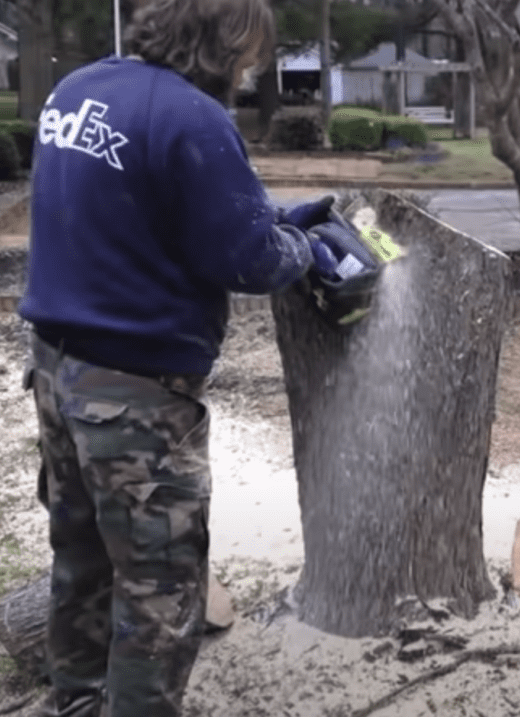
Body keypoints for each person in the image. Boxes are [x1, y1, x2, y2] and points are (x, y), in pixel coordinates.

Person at [17, 1, 332, 715]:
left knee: (82, 562)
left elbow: (142, 210)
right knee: (159, 592)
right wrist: (301, 246)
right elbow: (249, 261)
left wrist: (270, 219)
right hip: (134, 395)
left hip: (57, 371)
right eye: (248, 58)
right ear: (222, 44)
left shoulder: (78, 90)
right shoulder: (193, 117)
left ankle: (77, 702)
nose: (248, 73)